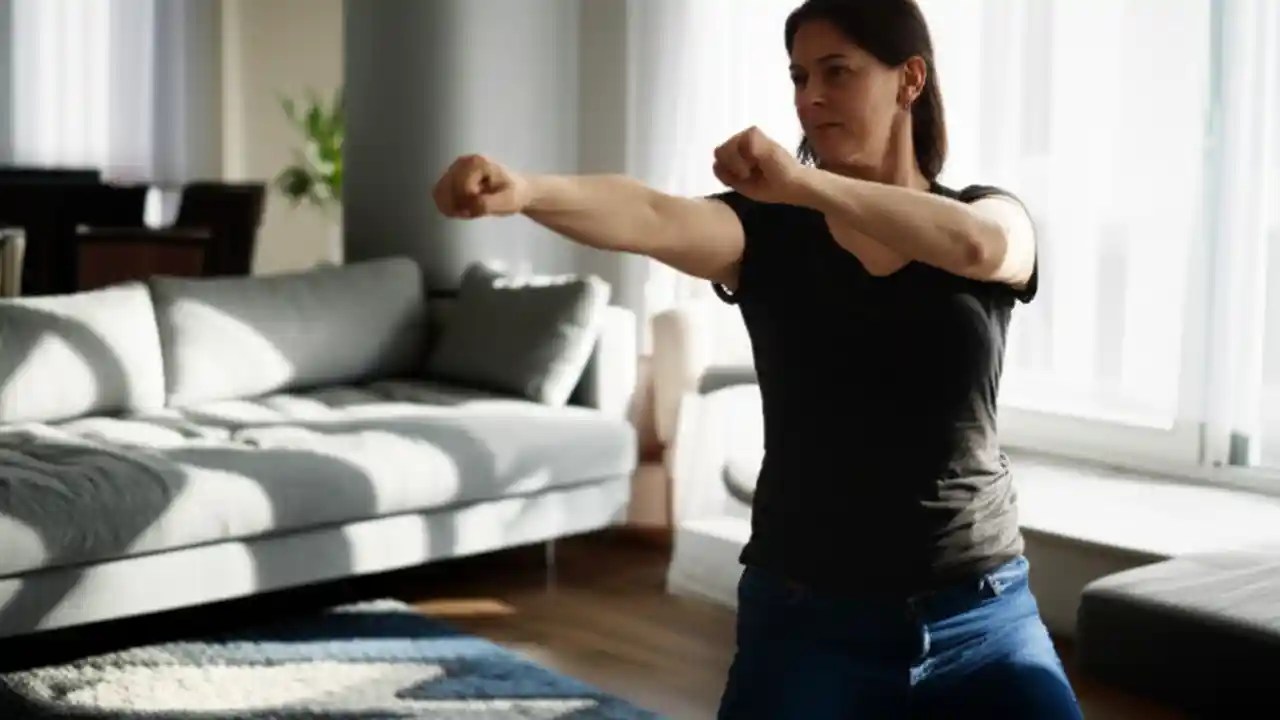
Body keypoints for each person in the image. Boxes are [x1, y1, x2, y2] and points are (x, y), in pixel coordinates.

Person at [433, 0, 1083, 716]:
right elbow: (652, 214)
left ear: (910, 80)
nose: (810, 98)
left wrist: (803, 184)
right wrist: (526, 191)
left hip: (982, 614)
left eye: (837, 72)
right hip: (809, 619)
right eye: (800, 77)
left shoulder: (986, 214)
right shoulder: (766, 232)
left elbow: (977, 248)